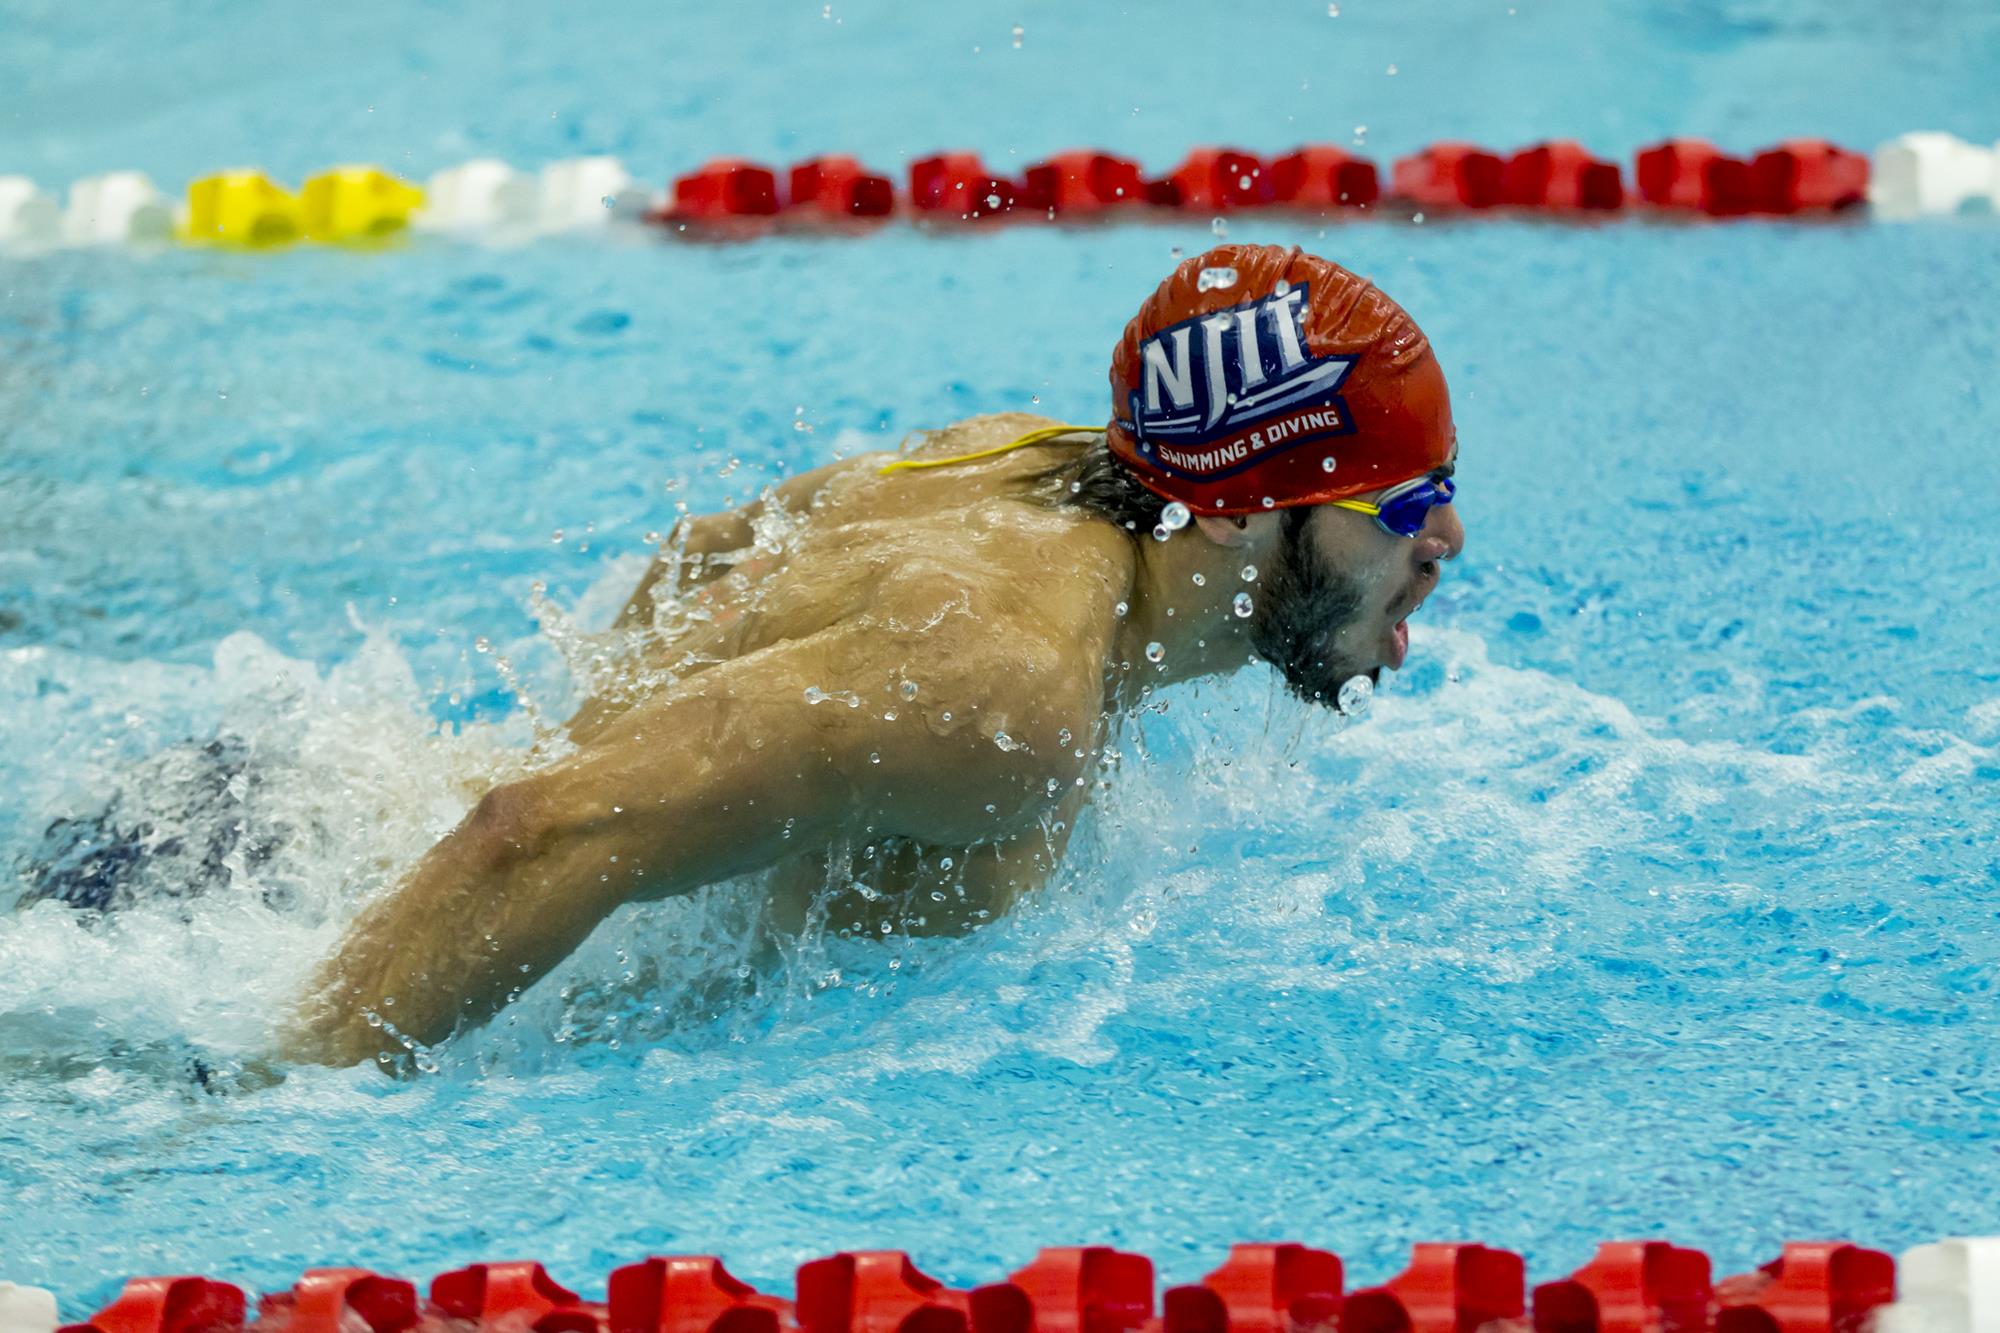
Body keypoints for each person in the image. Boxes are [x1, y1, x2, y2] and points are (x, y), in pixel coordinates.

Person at [281, 243, 1465, 1068]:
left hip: (318, 818)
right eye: (1403, 504)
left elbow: (709, 547)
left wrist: (612, 728)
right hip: (286, 905)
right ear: (1234, 505)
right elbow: (531, 831)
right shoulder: (1001, 694)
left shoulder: (1016, 454)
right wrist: (264, 1112)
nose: (1445, 543)